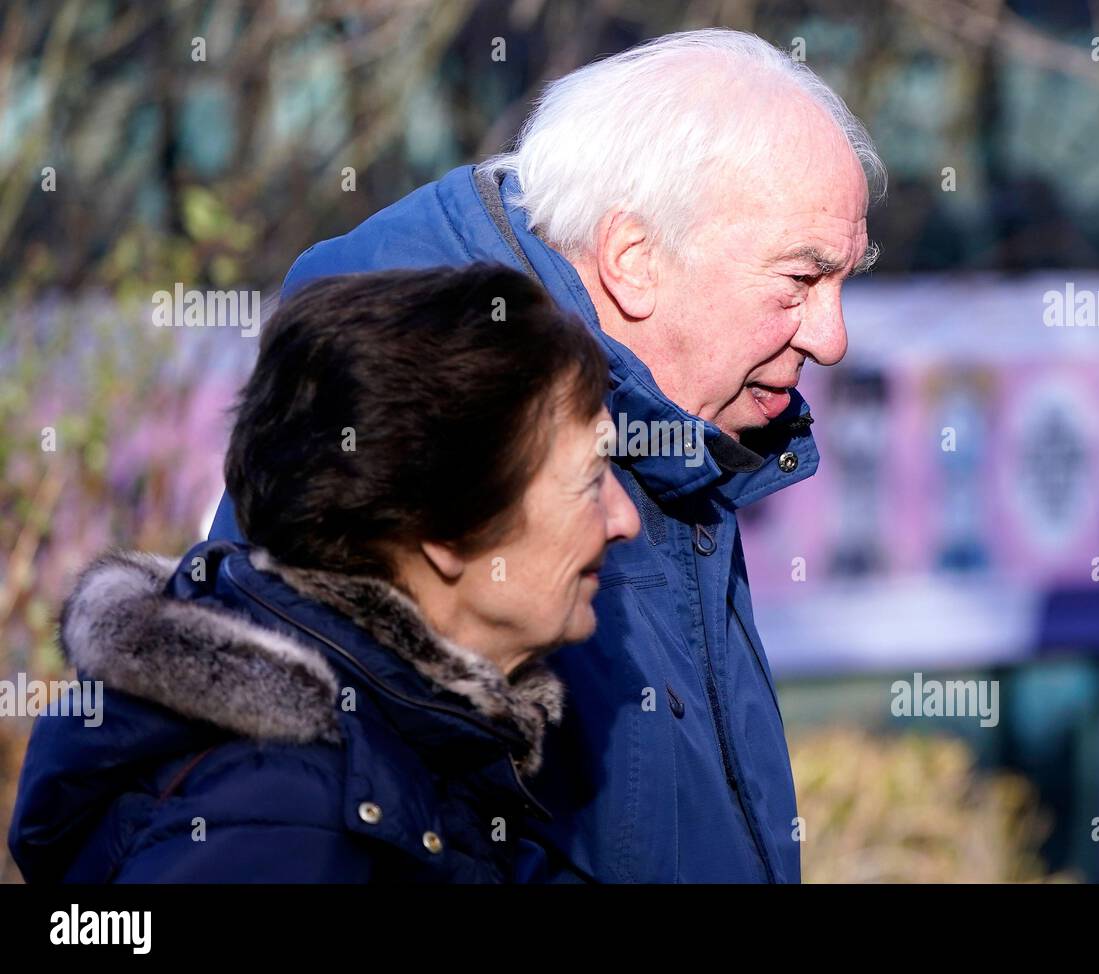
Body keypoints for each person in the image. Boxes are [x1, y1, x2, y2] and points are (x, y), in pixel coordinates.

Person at [208, 28, 885, 882]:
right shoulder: (426, 420)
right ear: (634, 260)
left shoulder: (666, 417)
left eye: (844, 279)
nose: (833, 338)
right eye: (801, 278)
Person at [7, 264, 640, 882]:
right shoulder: (284, 818)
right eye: (590, 479)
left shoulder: (391, 758)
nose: (624, 519)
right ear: (447, 530)